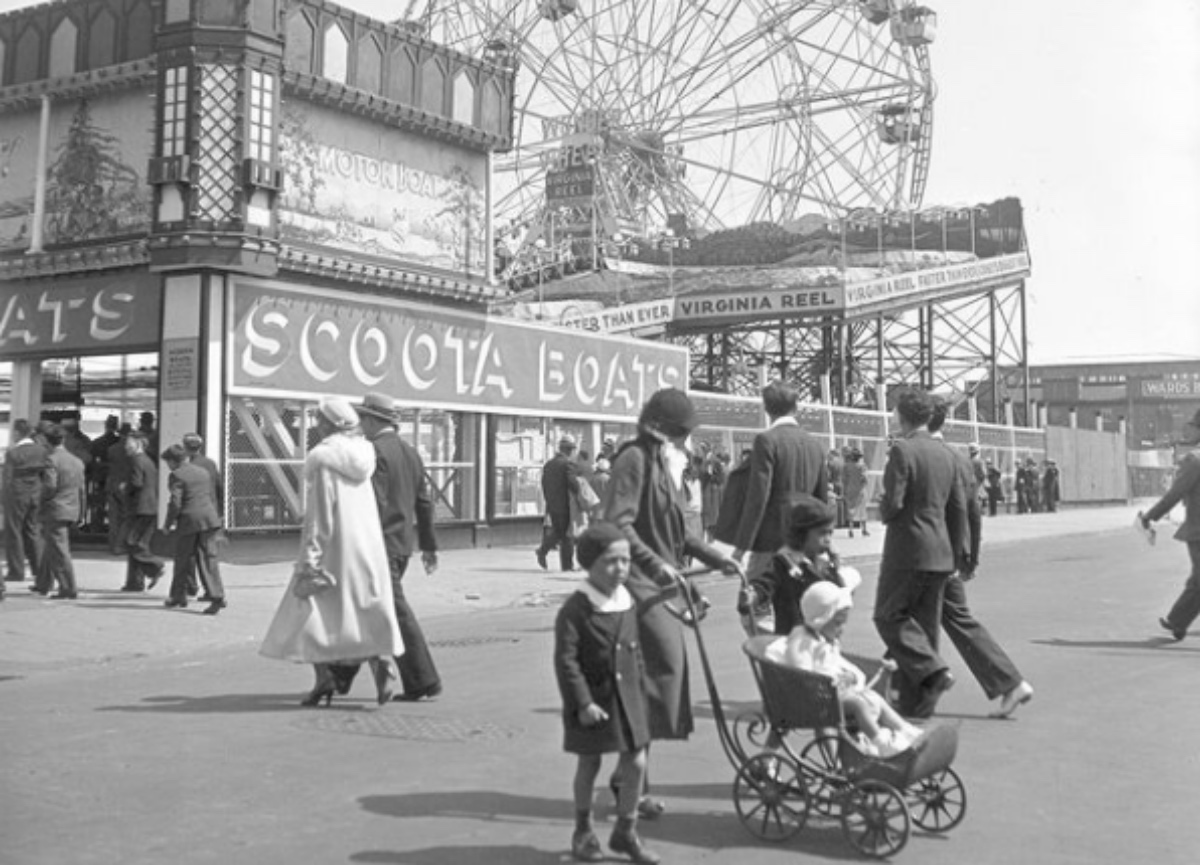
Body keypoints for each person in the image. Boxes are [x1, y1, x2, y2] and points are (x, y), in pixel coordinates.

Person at [602, 387, 742, 819]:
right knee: (654, 682)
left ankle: (631, 776)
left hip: (660, 588)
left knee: (660, 683)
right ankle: (632, 779)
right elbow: (617, 524)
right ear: (658, 427)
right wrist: (656, 565)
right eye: (679, 434)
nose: (683, 442)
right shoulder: (633, 459)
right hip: (637, 590)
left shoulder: (662, 464)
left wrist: (719, 559)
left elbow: (679, 535)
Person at [260, 397, 403, 707]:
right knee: (360, 610)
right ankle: (380, 662)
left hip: (333, 550)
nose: (315, 425)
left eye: (319, 420)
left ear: (330, 423)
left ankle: (323, 678)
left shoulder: (325, 459)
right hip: (366, 547)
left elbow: (320, 516)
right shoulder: (363, 457)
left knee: (309, 614)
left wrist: (309, 558)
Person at [554, 523, 658, 865]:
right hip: (594, 702)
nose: (621, 569)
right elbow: (566, 661)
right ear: (590, 563)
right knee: (590, 762)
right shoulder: (577, 609)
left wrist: (641, 687)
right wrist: (582, 702)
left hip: (627, 699)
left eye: (626, 561)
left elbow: (634, 649)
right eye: (611, 562)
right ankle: (583, 829)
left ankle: (626, 830)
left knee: (637, 760)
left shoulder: (625, 601)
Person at [928, 398, 1034, 719]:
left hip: (928, 556)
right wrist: (971, 557)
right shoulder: (961, 460)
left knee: (902, 617)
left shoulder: (918, 455)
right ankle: (1008, 682)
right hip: (952, 555)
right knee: (952, 619)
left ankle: (919, 687)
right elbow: (973, 512)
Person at [334, 392, 442, 703]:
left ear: (370, 420)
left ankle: (423, 679)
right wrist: (429, 546)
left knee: (394, 611)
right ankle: (339, 673)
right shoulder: (410, 452)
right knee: (368, 609)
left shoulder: (374, 452)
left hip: (379, 546)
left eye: (362, 420)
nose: (360, 426)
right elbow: (424, 503)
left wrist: (360, 542)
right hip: (401, 545)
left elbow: (375, 504)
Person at [873, 388, 969, 720]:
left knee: (888, 616)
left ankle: (934, 672)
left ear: (902, 415)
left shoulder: (903, 450)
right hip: (940, 552)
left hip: (908, 550)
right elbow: (957, 507)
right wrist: (956, 554)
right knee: (925, 628)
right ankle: (920, 704)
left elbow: (893, 503)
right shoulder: (946, 453)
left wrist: (881, 508)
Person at [779, 582, 922, 757]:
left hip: (833, 694)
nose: (842, 629)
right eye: (838, 623)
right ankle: (881, 742)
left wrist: (853, 675)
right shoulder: (802, 641)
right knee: (857, 703)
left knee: (873, 697)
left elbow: (841, 662)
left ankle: (905, 730)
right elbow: (801, 671)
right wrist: (830, 681)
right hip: (818, 698)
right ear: (821, 619)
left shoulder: (825, 640)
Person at [731, 381, 829, 583]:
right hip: (803, 544)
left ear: (766, 409)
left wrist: (741, 548)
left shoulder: (766, 441)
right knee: (796, 608)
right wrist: (822, 546)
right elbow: (821, 501)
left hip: (770, 543)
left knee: (757, 605)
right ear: (796, 407)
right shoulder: (815, 445)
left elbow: (758, 498)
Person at [741, 495, 857, 637]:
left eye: (830, 533)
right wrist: (753, 594)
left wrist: (836, 566)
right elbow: (766, 582)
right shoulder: (785, 562)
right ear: (801, 534)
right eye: (822, 533)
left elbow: (841, 593)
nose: (828, 540)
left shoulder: (825, 564)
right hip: (793, 639)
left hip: (823, 638)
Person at [1141, 407, 1200, 642]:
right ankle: (1178, 621)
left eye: (1194, 427)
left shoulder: (1194, 460)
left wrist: (1149, 517)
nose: (1190, 431)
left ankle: (1178, 621)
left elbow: (1175, 494)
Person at [161, 445, 226, 615]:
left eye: (168, 462)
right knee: (208, 559)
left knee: (182, 559)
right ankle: (217, 596)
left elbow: (175, 503)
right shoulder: (202, 472)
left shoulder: (176, 475)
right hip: (208, 519)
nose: (168, 466)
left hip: (189, 522)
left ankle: (178, 595)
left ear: (174, 461)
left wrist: (167, 525)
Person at [34, 425, 86, 599]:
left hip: (55, 509)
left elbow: (49, 486)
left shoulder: (51, 460)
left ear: (48, 442)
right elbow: (81, 490)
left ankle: (68, 587)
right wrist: (82, 513)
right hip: (72, 508)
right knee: (51, 546)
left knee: (59, 549)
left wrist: (41, 500)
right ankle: (42, 583)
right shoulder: (77, 461)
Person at [3, 419, 48, 588]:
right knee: (32, 530)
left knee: (13, 531)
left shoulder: (13, 453)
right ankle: (38, 569)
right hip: (35, 493)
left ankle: (16, 570)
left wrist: (2, 498)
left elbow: (7, 479)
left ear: (16, 432)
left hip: (16, 494)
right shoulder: (41, 451)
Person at [181, 432, 224, 599]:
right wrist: (219, 511)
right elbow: (219, 487)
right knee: (208, 554)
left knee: (189, 553)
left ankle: (190, 586)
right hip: (210, 513)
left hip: (192, 515)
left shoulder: (187, 467)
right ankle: (211, 589)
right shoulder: (211, 464)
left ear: (185, 447)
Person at [121, 432, 165, 592]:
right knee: (139, 543)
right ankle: (134, 582)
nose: (126, 447)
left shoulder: (136, 461)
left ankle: (155, 566)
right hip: (150, 507)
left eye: (129, 443)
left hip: (139, 508)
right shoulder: (149, 461)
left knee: (132, 541)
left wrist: (125, 488)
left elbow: (136, 483)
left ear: (139, 444)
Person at [537, 435, 582, 572]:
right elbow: (572, 483)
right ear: (569, 450)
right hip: (565, 505)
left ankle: (542, 551)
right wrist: (581, 491)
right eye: (572, 449)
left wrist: (549, 501)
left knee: (559, 532)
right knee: (566, 535)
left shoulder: (549, 464)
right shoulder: (568, 464)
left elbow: (544, 484)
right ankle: (567, 566)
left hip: (552, 505)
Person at [105, 423, 133, 555]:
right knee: (127, 516)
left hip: (111, 484)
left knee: (113, 517)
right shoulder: (130, 450)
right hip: (125, 485)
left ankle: (112, 544)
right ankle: (120, 544)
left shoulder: (112, 449)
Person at [842, 447, 870, 538]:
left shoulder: (846, 466)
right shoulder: (862, 466)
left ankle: (850, 530)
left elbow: (844, 480)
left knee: (851, 510)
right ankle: (864, 530)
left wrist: (844, 490)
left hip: (849, 490)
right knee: (862, 510)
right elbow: (865, 479)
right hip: (860, 490)